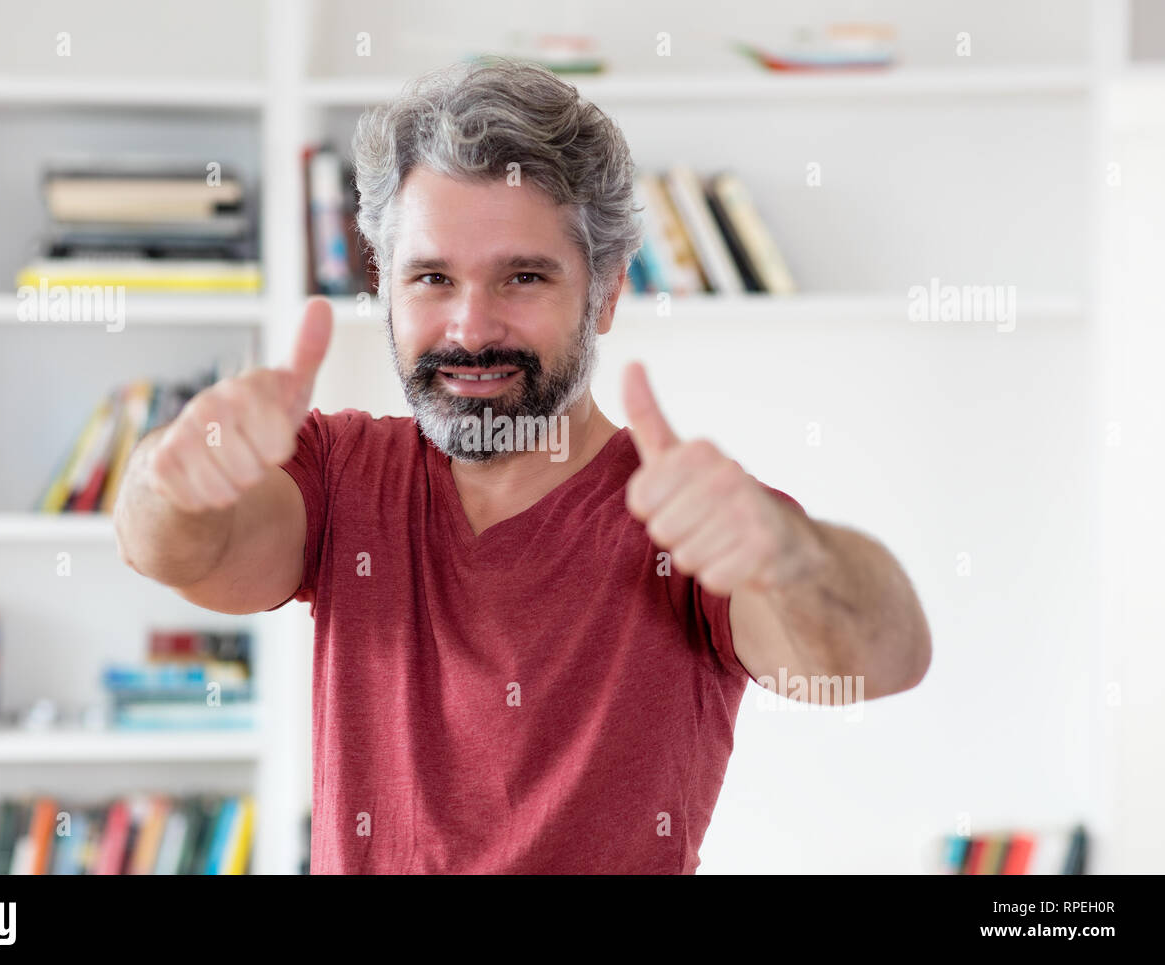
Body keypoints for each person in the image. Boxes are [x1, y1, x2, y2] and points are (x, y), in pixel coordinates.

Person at [114, 58, 932, 874]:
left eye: (523, 277)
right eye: (433, 277)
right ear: (386, 286)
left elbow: (882, 659)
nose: (471, 328)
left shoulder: (692, 518)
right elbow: (184, 551)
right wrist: (170, 481)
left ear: (606, 292)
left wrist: (796, 558)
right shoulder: (336, 471)